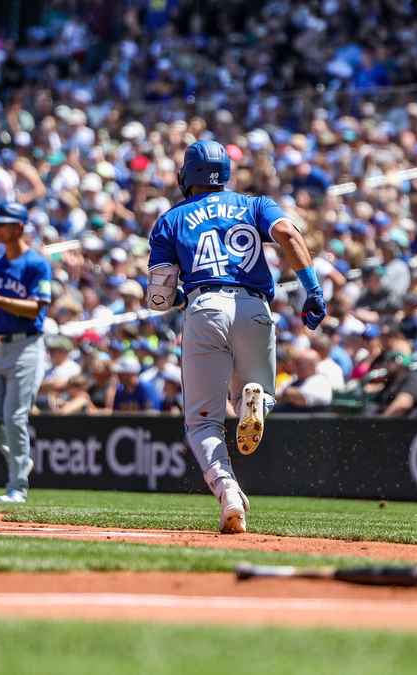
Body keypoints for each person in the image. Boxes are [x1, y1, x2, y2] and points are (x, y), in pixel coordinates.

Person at [146, 139, 324, 534]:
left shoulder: (170, 220)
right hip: (254, 307)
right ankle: (253, 403)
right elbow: (290, 237)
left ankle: (228, 492)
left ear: (186, 176)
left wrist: (180, 296)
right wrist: (312, 290)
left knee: (202, 422)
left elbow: (159, 296)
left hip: (204, 307)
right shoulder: (256, 204)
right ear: (225, 172)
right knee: (261, 394)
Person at [0, 201, 52, 504]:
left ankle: (18, 486)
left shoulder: (36, 264)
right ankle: (20, 461)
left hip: (26, 345)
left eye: (1, 223)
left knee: (14, 417)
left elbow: (36, 309)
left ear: (18, 226)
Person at [371, 351, 417, 417]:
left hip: (403, 424)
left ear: (400, 362)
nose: (386, 365)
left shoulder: (414, 379)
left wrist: (381, 422)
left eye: (390, 361)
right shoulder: (391, 381)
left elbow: (402, 405)